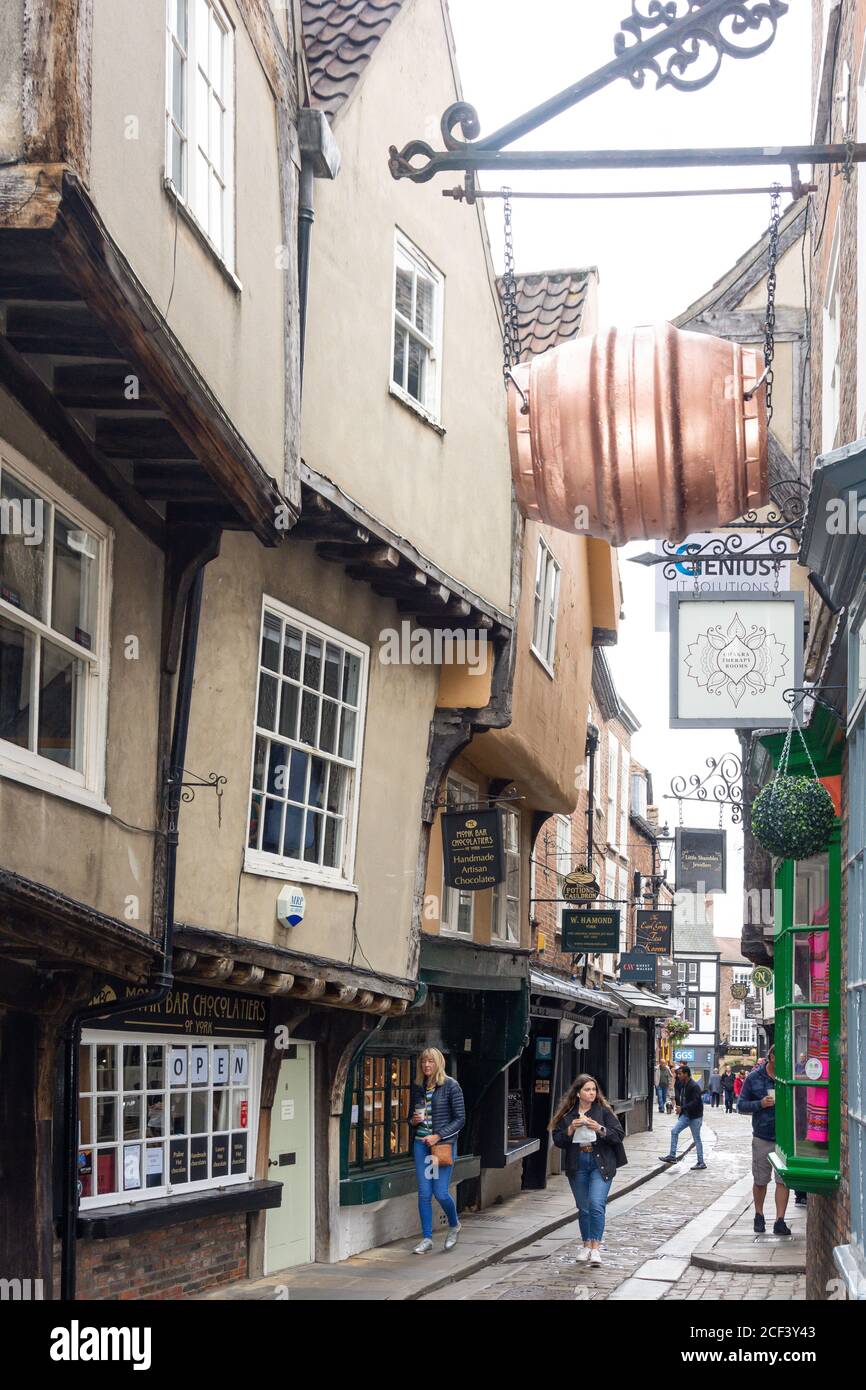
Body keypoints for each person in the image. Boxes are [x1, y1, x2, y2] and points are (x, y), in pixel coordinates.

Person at [551, 1073, 626, 1268]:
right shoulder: (568, 1116)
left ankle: (595, 1248)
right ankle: (586, 1244)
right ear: (578, 1093)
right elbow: (558, 1140)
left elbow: (618, 1135)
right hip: (578, 1164)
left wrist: (600, 1128)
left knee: (596, 1203)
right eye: (587, 1090)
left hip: (600, 1163)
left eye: (593, 1090)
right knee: (583, 1207)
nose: (591, 1093)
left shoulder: (603, 1112)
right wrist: (569, 1130)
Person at [408, 1048, 465, 1254]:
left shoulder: (451, 1086)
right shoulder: (418, 1087)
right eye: (423, 1062)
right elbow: (410, 1117)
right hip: (421, 1146)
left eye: (430, 1061)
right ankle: (427, 1238)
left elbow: (460, 1118)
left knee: (440, 1192)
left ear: (438, 1063)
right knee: (424, 1193)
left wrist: (438, 1135)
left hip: (441, 1146)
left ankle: (454, 1224)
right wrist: (413, 1121)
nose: (426, 1065)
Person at [738, 1045, 791, 1235]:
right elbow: (741, 1105)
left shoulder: (788, 1076)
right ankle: (759, 1215)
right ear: (771, 1057)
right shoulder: (754, 1078)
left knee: (782, 1181)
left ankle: (780, 1220)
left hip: (785, 1138)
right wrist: (760, 1104)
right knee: (761, 1181)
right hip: (762, 1136)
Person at [659, 1064, 706, 1170]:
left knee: (696, 1138)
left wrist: (682, 1108)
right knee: (674, 1131)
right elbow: (677, 1092)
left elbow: (695, 1102)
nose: (678, 1076)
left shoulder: (694, 1086)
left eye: (680, 1074)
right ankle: (672, 1156)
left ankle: (701, 1162)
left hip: (695, 1117)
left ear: (686, 1074)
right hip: (685, 1115)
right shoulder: (682, 1084)